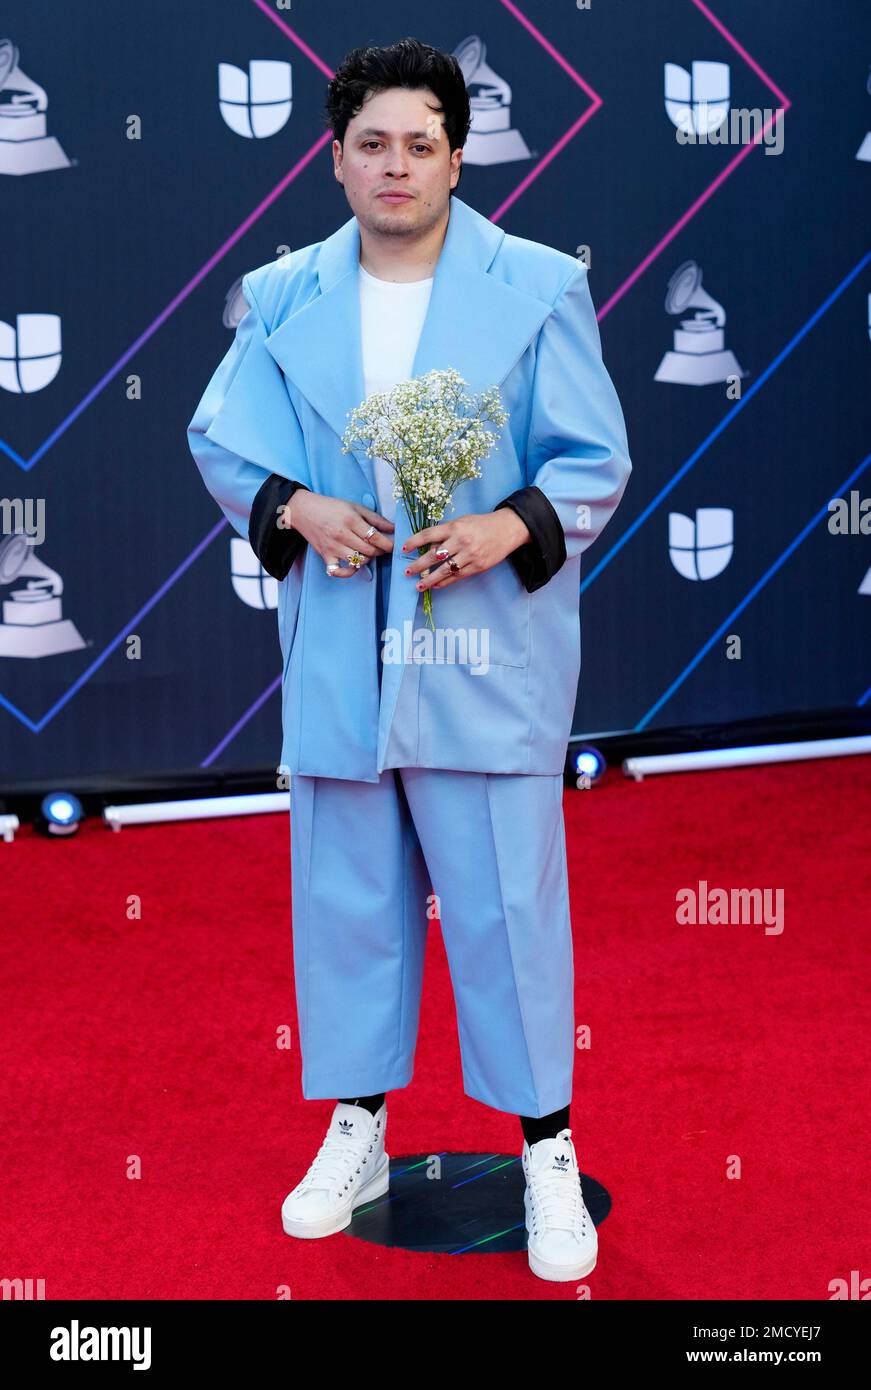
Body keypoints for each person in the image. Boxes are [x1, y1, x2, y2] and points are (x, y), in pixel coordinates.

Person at [187, 37, 632, 1283]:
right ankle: (359, 1128)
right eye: (371, 143)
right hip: (339, 646)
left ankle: (546, 1145)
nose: (396, 164)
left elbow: (591, 460)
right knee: (345, 901)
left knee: (506, 905)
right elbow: (222, 440)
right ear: (335, 160)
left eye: (420, 141)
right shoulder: (281, 296)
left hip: (486, 643)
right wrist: (294, 506)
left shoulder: (538, 285)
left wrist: (506, 525)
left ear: (456, 152)